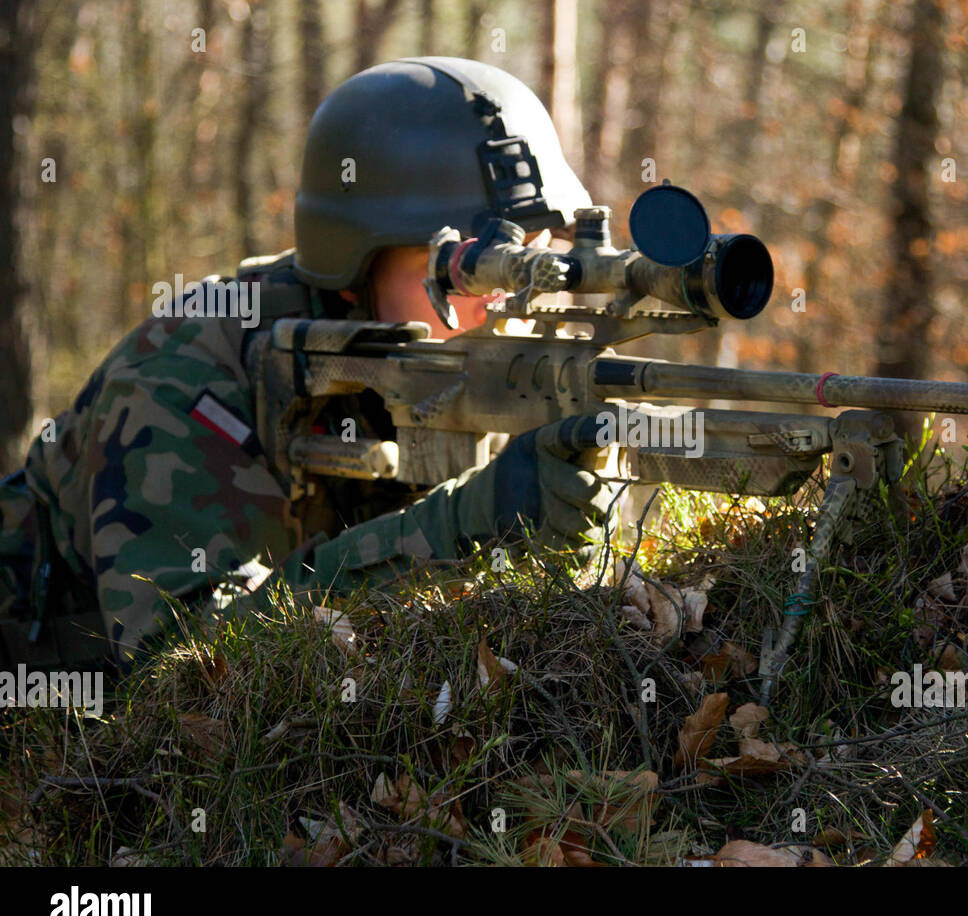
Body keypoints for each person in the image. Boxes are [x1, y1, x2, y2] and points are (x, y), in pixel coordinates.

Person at [0, 57, 616, 676]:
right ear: (355, 262)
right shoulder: (183, 376)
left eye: (530, 261)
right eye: (468, 270)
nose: (503, 302)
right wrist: (462, 526)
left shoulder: (464, 358)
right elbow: (180, 669)